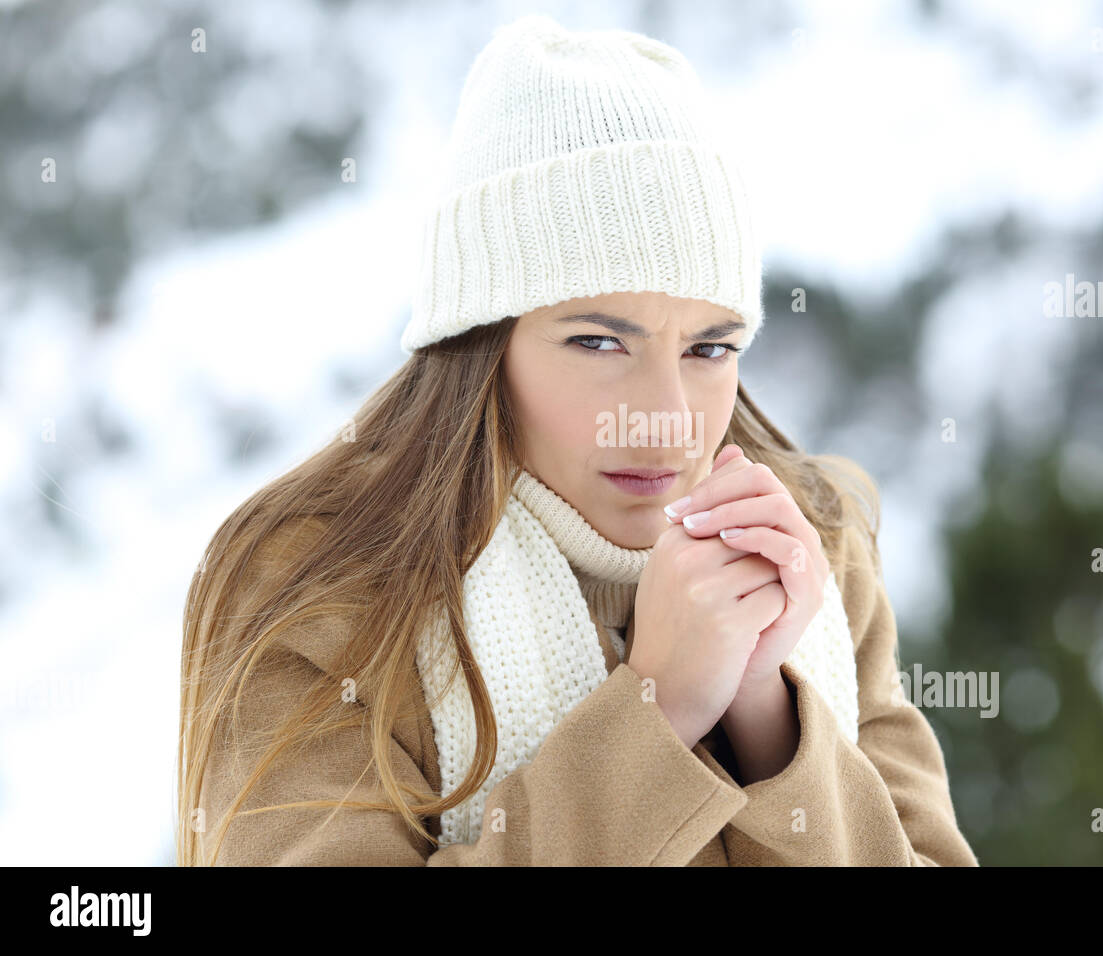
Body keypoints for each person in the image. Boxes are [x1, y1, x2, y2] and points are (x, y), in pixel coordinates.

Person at [176, 14, 978, 867]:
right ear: (481, 344)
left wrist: (772, 723)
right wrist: (654, 714)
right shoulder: (316, 592)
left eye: (710, 349)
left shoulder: (813, 552)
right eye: (599, 342)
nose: (665, 416)